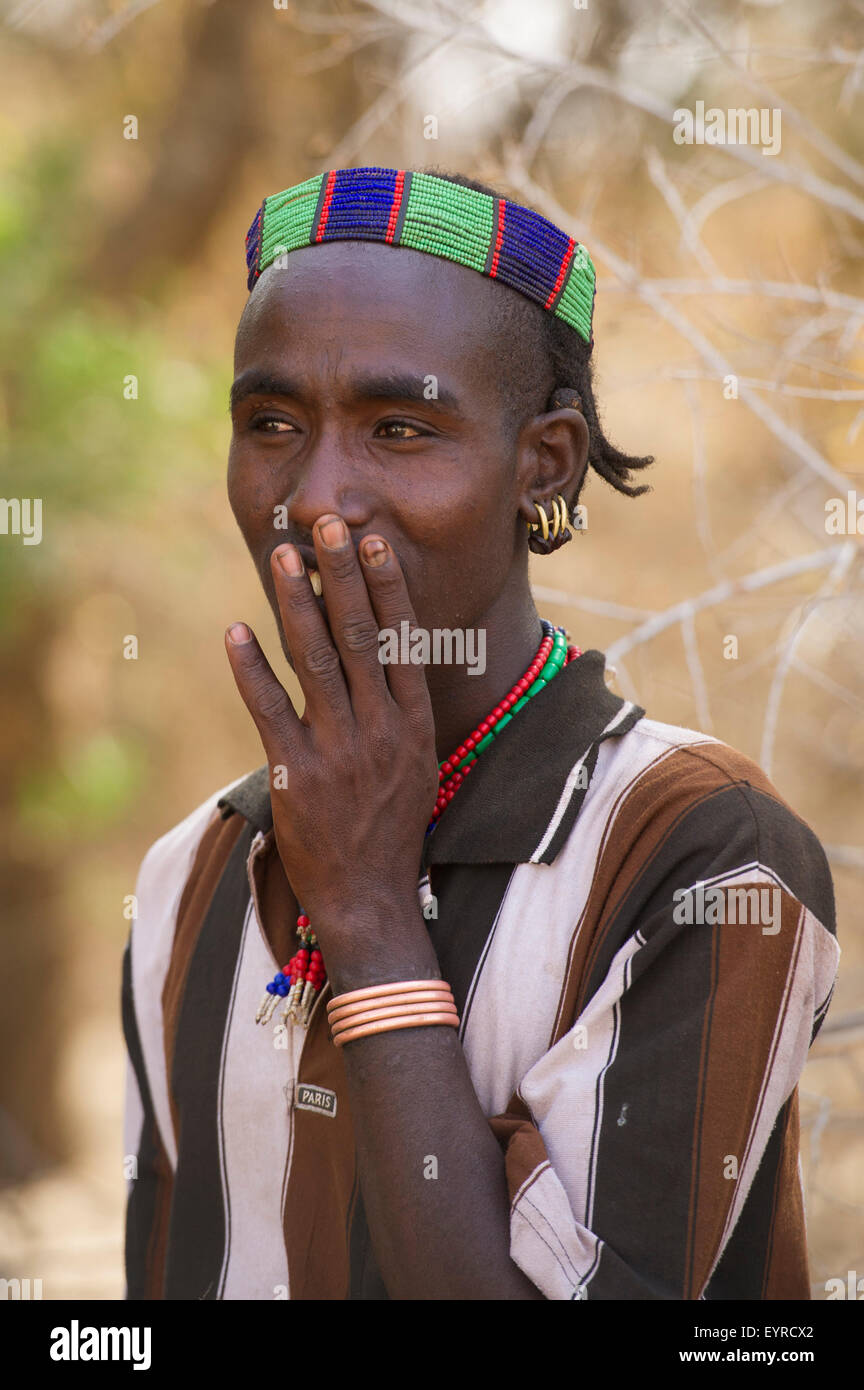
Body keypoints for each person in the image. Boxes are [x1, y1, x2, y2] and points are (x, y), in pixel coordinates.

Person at [121, 165, 839, 1300]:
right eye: (270, 423)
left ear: (542, 465)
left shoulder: (701, 857)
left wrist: (367, 923)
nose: (315, 496)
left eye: (400, 427)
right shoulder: (185, 881)